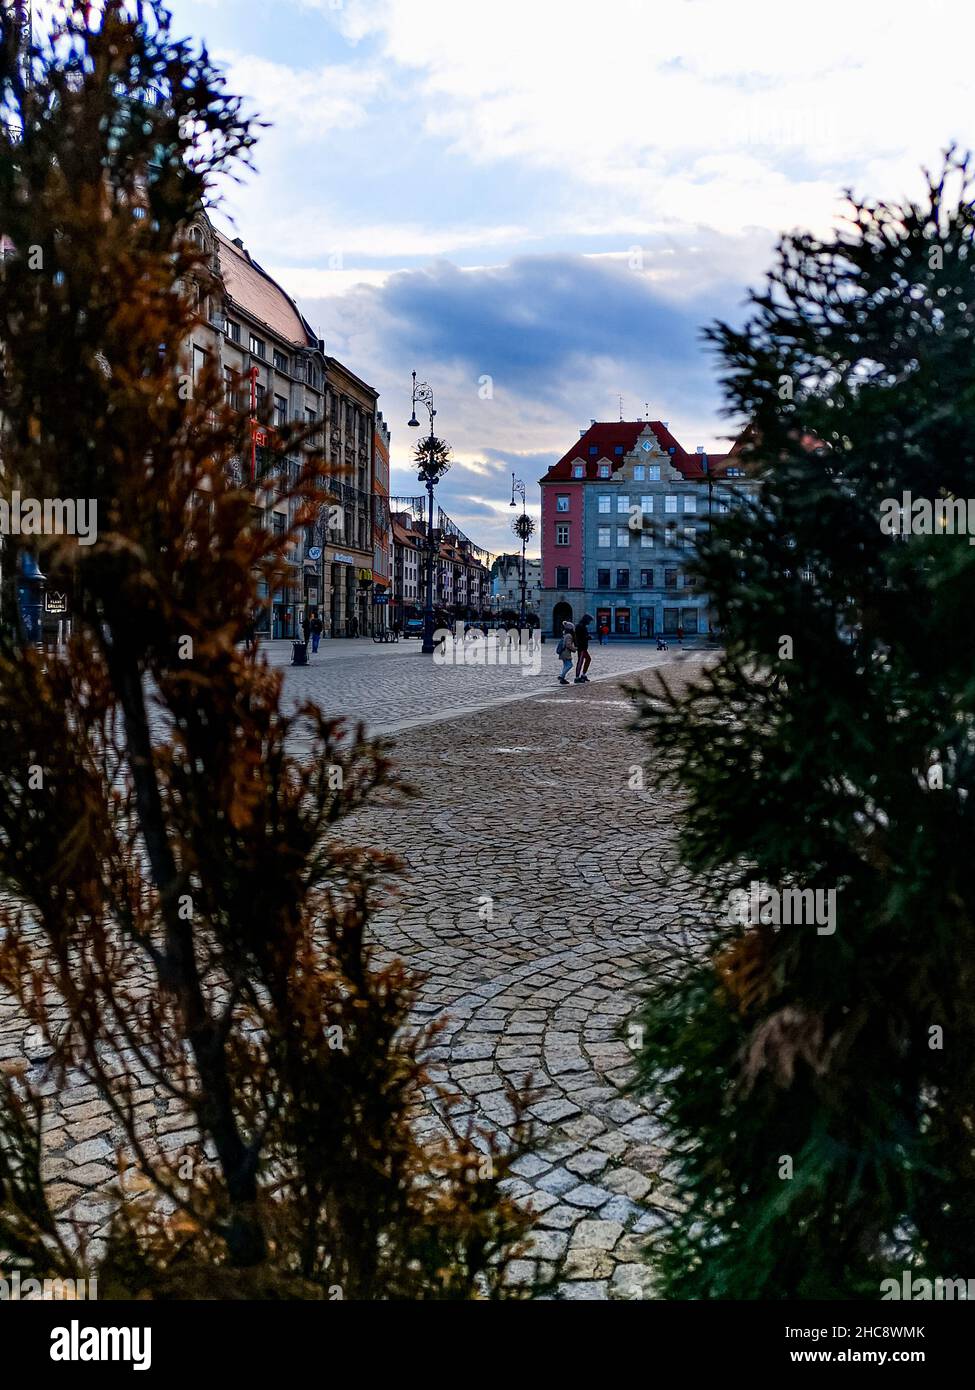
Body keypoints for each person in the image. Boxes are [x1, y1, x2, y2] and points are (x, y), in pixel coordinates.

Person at [574, 613, 593, 683]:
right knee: (580, 661)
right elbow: (580, 637)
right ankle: (577, 677)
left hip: (583, 646)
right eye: (589, 621)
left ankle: (583, 674)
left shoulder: (583, 626)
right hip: (581, 647)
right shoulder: (580, 626)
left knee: (588, 659)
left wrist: (587, 637)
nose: (590, 622)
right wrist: (588, 637)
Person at [556, 619, 575, 684]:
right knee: (570, 665)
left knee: (565, 665)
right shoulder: (569, 635)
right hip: (565, 652)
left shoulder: (565, 634)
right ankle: (561, 676)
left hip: (563, 652)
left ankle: (562, 679)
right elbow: (568, 645)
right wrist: (574, 649)